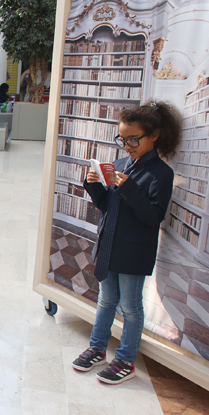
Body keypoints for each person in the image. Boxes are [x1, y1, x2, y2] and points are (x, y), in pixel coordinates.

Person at [72, 101, 182, 384]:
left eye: (134, 139)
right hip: (109, 245)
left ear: (154, 135)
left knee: (131, 308)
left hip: (134, 252)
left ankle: (125, 360)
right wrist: (94, 185)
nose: (128, 146)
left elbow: (153, 216)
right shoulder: (119, 165)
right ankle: (97, 348)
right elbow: (107, 206)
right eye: (123, 140)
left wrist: (129, 188)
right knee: (106, 300)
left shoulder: (161, 173)